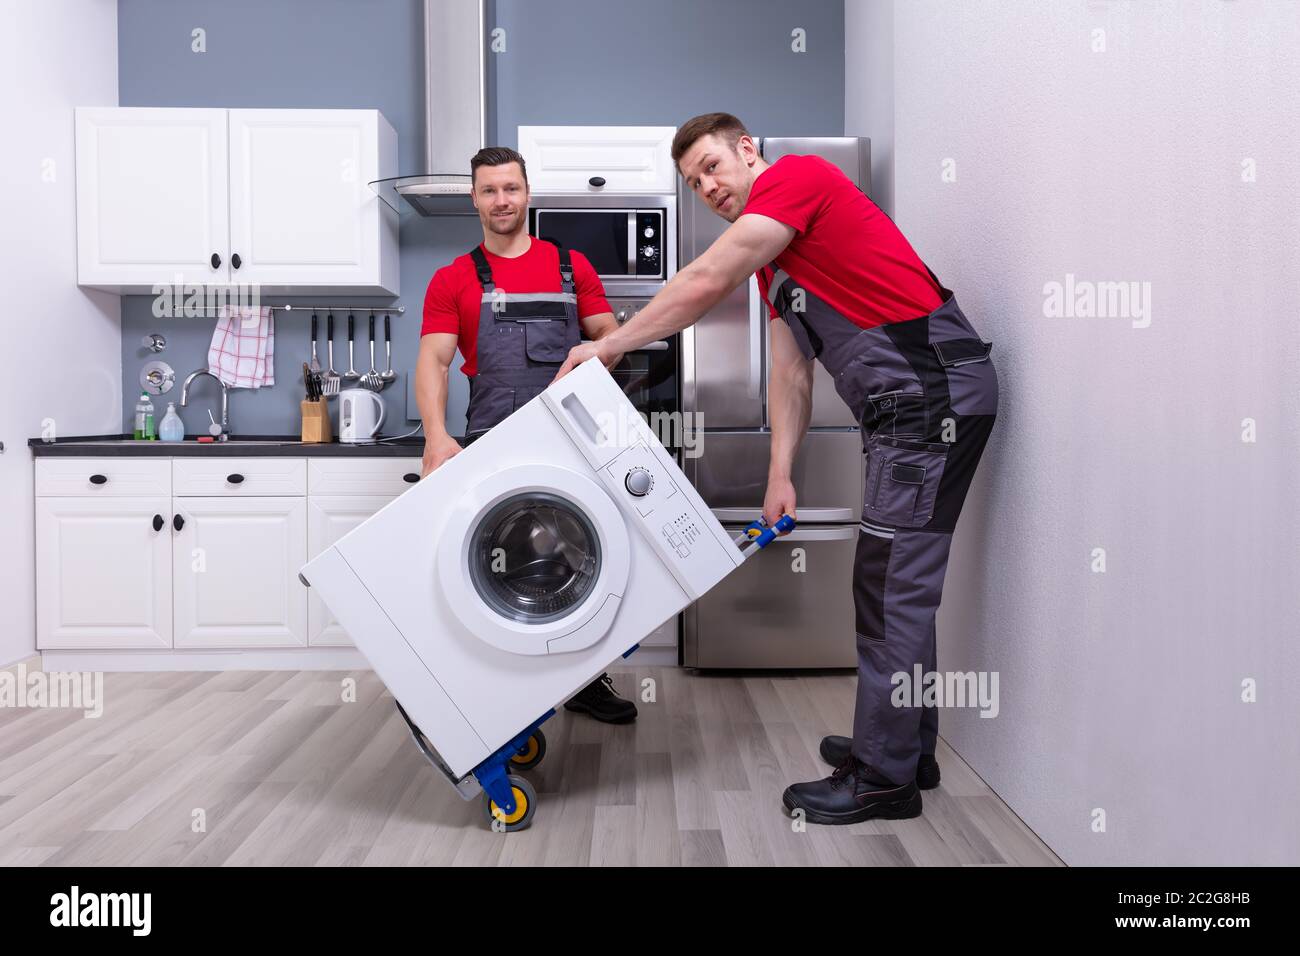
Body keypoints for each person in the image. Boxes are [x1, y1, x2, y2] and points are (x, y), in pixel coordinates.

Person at [556, 113, 999, 823]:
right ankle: (903, 749)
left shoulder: (797, 180)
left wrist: (612, 346)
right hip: (907, 407)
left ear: (748, 150)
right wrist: (779, 476)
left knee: (888, 583)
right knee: (898, 579)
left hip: (929, 397)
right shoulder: (778, 270)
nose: (707, 185)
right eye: (694, 181)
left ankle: (884, 779)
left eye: (711, 166)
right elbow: (790, 375)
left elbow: (707, 276)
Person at [415, 145, 637, 725]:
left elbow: (607, 339)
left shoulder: (571, 266)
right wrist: (437, 437)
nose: (501, 200)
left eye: (510, 188)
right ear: (474, 198)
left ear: (527, 192)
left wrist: (593, 362)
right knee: (501, 562)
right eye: (488, 190)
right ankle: (507, 690)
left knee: (584, 554)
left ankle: (585, 681)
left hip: (573, 439)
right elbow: (434, 361)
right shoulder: (452, 278)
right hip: (490, 443)